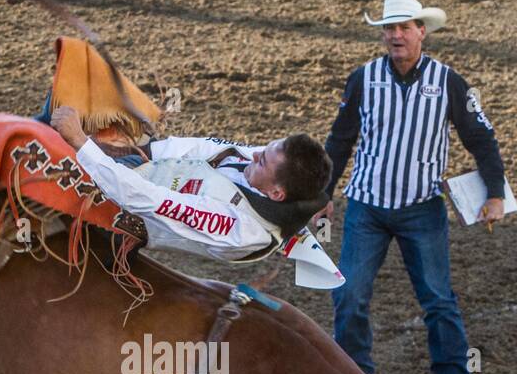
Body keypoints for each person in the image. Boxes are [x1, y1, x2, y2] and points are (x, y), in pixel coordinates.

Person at [320, 0, 508, 374]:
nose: (397, 35)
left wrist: (495, 193)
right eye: (390, 28)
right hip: (366, 205)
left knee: (438, 299)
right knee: (348, 295)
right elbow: (340, 139)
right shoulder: (363, 79)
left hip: (422, 207)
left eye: (405, 27)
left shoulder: (449, 82)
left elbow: (481, 137)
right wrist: (323, 195)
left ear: (422, 32)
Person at [49, 105, 330, 263]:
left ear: (276, 194)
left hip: (117, 214)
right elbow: (205, 147)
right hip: (142, 168)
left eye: (262, 161)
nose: (253, 154)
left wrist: (82, 143)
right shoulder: (268, 172)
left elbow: (145, 199)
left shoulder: (240, 229)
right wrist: (149, 150)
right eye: (263, 149)